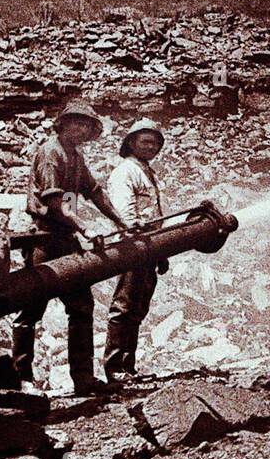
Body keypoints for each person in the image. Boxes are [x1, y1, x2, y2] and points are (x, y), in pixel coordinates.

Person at [14, 99, 128, 396]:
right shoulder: (50, 153)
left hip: (66, 238)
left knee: (81, 307)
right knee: (31, 309)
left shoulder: (75, 156)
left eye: (86, 125)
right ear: (62, 124)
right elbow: (54, 203)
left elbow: (94, 192)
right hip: (44, 238)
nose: (80, 129)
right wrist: (86, 228)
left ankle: (83, 377)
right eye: (75, 122)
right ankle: (21, 377)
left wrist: (121, 222)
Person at [103, 119, 166, 383]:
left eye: (155, 143)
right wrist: (133, 234)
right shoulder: (124, 172)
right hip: (132, 247)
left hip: (149, 247)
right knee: (125, 306)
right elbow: (125, 213)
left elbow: (156, 215)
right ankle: (115, 367)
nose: (151, 147)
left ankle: (128, 367)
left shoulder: (148, 173)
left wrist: (161, 252)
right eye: (145, 141)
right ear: (131, 143)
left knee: (138, 307)